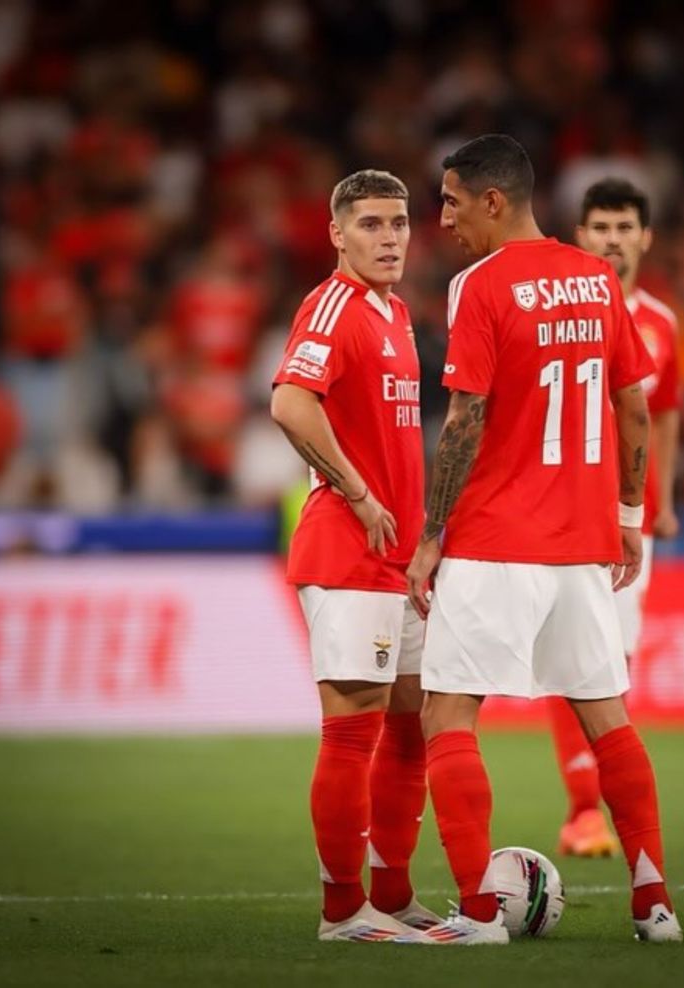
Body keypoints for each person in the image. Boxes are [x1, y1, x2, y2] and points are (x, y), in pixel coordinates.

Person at [406, 134, 682, 945]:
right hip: (581, 545)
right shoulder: (600, 281)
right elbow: (635, 407)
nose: (444, 217)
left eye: (453, 200)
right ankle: (654, 904)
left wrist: (431, 535)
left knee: (447, 714)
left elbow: (465, 417)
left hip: (494, 540)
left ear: (495, 200)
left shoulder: (478, 284)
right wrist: (628, 517)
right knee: (610, 720)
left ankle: (480, 913)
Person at [270, 169, 440, 944]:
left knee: (413, 725)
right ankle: (342, 911)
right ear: (336, 232)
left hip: (400, 557)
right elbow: (290, 401)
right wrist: (361, 494)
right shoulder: (332, 305)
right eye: (370, 224)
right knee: (352, 728)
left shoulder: (396, 313)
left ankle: (394, 894)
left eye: (400, 224)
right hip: (347, 548)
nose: (390, 238)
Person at [547, 178, 682, 859]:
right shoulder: (565, 313)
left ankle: (596, 809)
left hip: (636, 515)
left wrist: (668, 500)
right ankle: (582, 811)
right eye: (600, 227)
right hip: (568, 511)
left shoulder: (661, 322)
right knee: (570, 659)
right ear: (581, 235)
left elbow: (667, 413)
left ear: (645, 237)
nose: (612, 239)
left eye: (625, 227)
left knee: (611, 661)